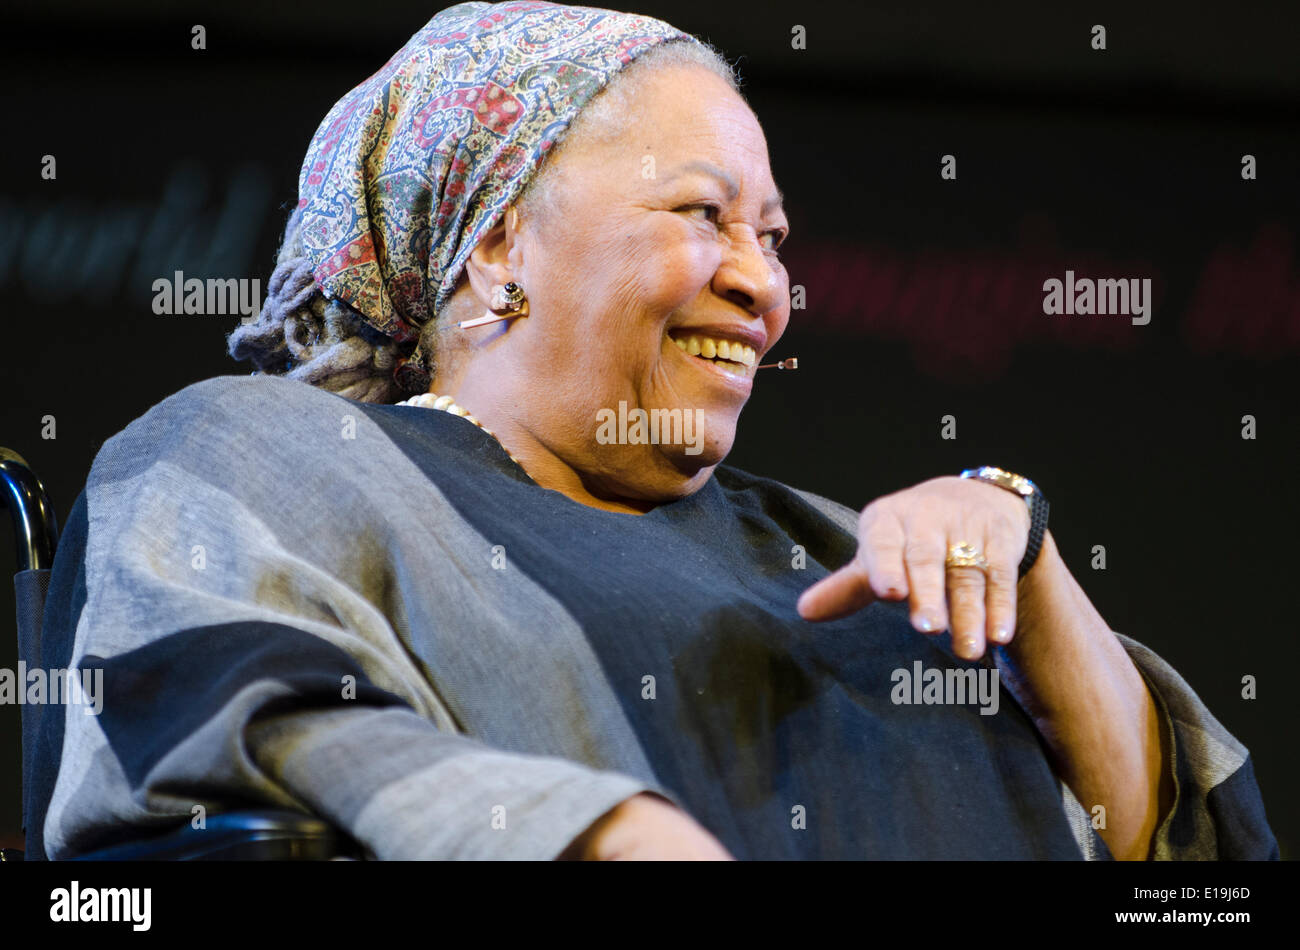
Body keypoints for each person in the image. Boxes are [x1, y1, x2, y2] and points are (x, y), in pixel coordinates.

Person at [32, 1, 1276, 860]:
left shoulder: (837, 549)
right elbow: (221, 734)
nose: (763, 283)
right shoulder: (278, 456)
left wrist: (1024, 547)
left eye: (775, 237)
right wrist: (606, 833)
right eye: (704, 214)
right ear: (497, 245)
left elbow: (1164, 852)